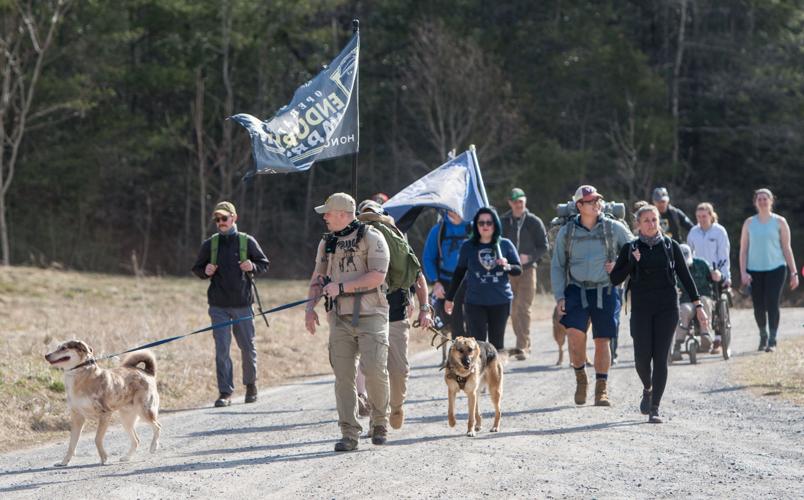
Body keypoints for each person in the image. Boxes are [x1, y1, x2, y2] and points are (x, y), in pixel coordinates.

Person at [304, 193, 391, 452]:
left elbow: (377, 276)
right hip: (339, 318)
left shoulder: (372, 238)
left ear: (342, 213)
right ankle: (349, 433)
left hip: (371, 315)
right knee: (343, 378)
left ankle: (379, 420)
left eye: (328, 213)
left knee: (375, 371)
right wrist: (310, 307)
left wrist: (342, 286)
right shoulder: (327, 243)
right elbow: (318, 277)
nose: (325, 217)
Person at [610, 205, 707, 424]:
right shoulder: (630, 247)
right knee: (642, 359)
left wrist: (698, 305)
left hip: (667, 308)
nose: (652, 224)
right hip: (642, 308)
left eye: (654, 220)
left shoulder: (671, 246)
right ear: (638, 224)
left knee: (661, 358)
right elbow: (615, 279)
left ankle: (655, 407)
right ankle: (647, 387)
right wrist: (631, 262)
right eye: (647, 220)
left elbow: (685, 276)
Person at [551, 186, 632, 407]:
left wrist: (619, 265)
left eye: (598, 200)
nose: (596, 203)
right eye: (590, 201)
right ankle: (581, 378)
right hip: (576, 290)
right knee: (575, 337)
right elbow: (557, 266)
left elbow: (634, 251)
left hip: (606, 290)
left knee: (602, 339)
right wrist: (560, 297)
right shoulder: (566, 232)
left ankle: (601, 388)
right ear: (579, 206)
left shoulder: (613, 228)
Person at [355, 199, 432, 430]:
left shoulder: (396, 239)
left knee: (397, 370)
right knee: (374, 368)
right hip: (368, 314)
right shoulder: (351, 241)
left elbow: (417, 276)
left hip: (396, 313)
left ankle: (396, 406)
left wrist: (425, 307)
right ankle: (378, 419)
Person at [192, 201, 270, 408]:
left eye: (224, 218)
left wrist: (252, 265)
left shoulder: (247, 241)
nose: (220, 223)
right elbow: (197, 269)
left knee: (247, 347)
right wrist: (205, 271)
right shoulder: (210, 244)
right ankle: (225, 392)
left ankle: (251, 385)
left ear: (234, 218)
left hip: (243, 304)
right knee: (222, 350)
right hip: (218, 305)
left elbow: (264, 264)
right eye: (217, 219)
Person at [445, 207, 521, 350]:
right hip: (475, 302)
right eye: (481, 223)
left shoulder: (504, 245)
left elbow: (518, 270)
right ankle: (478, 372)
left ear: (495, 224)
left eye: (489, 223)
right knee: (477, 346)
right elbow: (459, 273)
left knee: (496, 346)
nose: (485, 226)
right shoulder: (468, 246)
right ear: (476, 225)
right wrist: (450, 298)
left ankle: (495, 372)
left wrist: (507, 265)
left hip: (500, 301)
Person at [739, 188, 799, 352]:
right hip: (754, 269)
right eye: (760, 199)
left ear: (771, 201)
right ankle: (763, 335)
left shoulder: (780, 222)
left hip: (776, 268)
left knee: (772, 302)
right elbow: (743, 250)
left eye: (766, 199)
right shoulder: (749, 223)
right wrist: (743, 272)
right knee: (758, 305)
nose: (763, 201)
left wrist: (794, 272)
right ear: (755, 202)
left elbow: (787, 248)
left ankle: (772, 339)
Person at [500, 188, 548, 361]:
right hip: (509, 271)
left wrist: (530, 257)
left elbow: (543, 246)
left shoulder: (534, 222)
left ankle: (522, 346)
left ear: (525, 201)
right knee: (513, 309)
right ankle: (524, 343)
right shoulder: (503, 221)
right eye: (515, 202)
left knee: (523, 308)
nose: (518, 205)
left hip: (528, 271)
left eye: (521, 201)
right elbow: (497, 243)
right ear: (510, 203)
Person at [686, 202, 731, 353]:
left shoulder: (719, 232)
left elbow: (724, 255)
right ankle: (700, 332)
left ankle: (718, 337)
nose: (701, 219)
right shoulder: (693, 232)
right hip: (698, 273)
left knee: (717, 303)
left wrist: (725, 276)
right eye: (698, 216)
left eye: (704, 216)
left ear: (711, 216)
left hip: (715, 272)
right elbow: (688, 254)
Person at [422, 210, 470, 337]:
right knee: (455, 326)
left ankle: (476, 355)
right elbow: (428, 258)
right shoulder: (439, 230)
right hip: (447, 284)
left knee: (475, 325)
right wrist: (435, 282)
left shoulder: (473, 227)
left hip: (471, 282)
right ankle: (458, 355)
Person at [671, 244, 718, 360]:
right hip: (686, 301)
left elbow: (715, 277)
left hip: (704, 297)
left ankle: (705, 334)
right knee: (683, 311)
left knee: (703, 302)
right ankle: (677, 344)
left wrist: (717, 275)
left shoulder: (702, 264)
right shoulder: (672, 269)